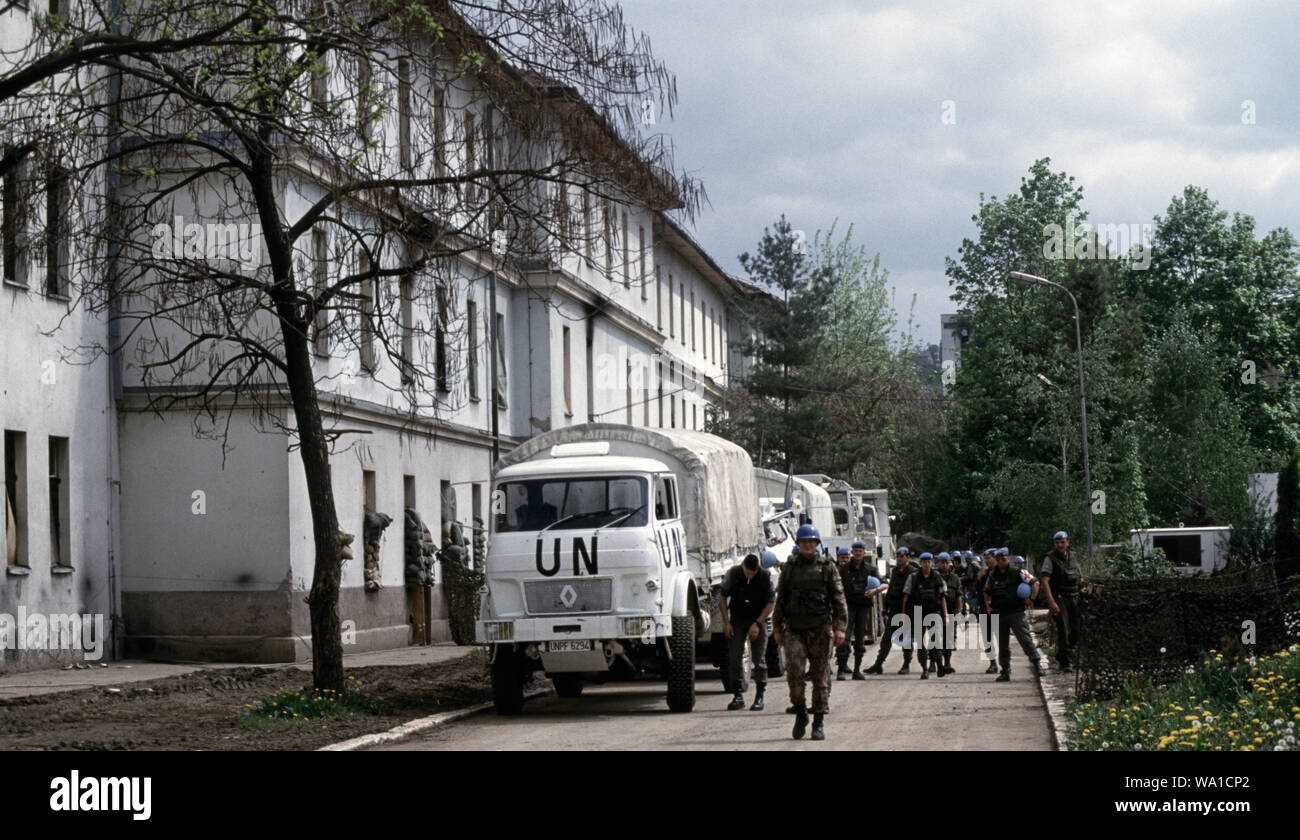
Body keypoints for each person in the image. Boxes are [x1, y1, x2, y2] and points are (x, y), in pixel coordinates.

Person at [772, 524, 847, 741]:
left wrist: (840, 628)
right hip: (794, 629)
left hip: (820, 629)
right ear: (798, 544)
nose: (807, 544)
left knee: (820, 676)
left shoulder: (827, 567)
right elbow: (781, 600)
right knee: (794, 673)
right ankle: (801, 712)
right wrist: (777, 628)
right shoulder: (790, 567)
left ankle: (819, 721)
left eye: (811, 541)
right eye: (804, 541)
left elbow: (839, 600)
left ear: (816, 544)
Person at [720, 553, 775, 711]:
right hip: (737, 619)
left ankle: (759, 696)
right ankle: (737, 695)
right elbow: (722, 598)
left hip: (758, 618)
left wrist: (758, 623)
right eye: (747, 572)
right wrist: (726, 622)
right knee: (735, 658)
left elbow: (771, 603)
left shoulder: (765, 576)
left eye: (753, 573)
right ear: (743, 566)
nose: (749, 575)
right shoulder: (734, 573)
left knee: (759, 660)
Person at [983, 547, 1047, 681]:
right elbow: (987, 591)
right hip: (1000, 613)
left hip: (1015, 613)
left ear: (1008, 559)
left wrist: (1031, 599)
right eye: (999, 559)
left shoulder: (1018, 572)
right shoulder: (993, 575)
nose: (1001, 561)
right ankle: (1005, 670)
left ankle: (1037, 664)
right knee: (1003, 644)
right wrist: (988, 606)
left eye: (1004, 558)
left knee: (1025, 639)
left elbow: (1035, 583)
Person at [863, 547, 918, 675]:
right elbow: (891, 588)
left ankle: (906, 664)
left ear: (908, 557)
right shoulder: (895, 571)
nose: (899, 558)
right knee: (886, 638)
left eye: (902, 556)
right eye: (898, 556)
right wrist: (885, 607)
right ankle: (878, 664)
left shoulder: (913, 573)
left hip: (907, 611)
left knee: (906, 639)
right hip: (894, 610)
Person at [1038, 530, 1084, 673]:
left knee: (1076, 630)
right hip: (1060, 599)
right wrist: (1052, 602)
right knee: (1063, 630)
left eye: (1062, 542)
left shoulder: (1074, 557)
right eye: (1057, 543)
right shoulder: (1050, 559)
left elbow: (1080, 577)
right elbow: (1045, 581)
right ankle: (1065, 662)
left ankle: (1062, 654)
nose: (1060, 545)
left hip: (1075, 597)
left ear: (1068, 543)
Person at [901, 551, 948, 679]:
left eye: (929, 562)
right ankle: (925, 669)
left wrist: (946, 615)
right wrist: (903, 616)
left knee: (935, 641)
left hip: (934, 612)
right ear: (920, 563)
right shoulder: (913, 577)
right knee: (921, 644)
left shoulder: (937, 576)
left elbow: (943, 597)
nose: (927, 564)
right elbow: (906, 597)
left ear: (932, 562)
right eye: (924, 562)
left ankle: (938, 663)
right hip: (918, 613)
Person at [836, 540, 875, 680]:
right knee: (844, 638)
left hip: (863, 607)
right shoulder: (844, 569)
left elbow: (884, 584)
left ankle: (857, 670)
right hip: (847, 607)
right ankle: (841, 669)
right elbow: (835, 585)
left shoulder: (870, 569)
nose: (858, 553)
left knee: (860, 638)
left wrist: (875, 590)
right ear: (852, 552)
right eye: (856, 550)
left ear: (864, 553)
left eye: (860, 551)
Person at [973, 548, 999, 673]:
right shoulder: (984, 573)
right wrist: (978, 579)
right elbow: (977, 591)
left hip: (1000, 609)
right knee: (987, 638)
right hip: (985, 609)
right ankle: (992, 663)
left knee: (1001, 637)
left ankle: (1005, 664)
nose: (987, 561)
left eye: (989, 558)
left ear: (995, 558)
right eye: (985, 559)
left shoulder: (1001, 572)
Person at [937, 552, 963, 675]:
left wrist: (959, 612)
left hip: (951, 611)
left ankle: (947, 662)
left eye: (947, 562)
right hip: (936, 611)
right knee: (935, 639)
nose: (945, 565)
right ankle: (934, 663)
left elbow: (959, 596)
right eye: (942, 562)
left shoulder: (955, 578)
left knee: (948, 638)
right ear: (938, 563)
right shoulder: (934, 576)